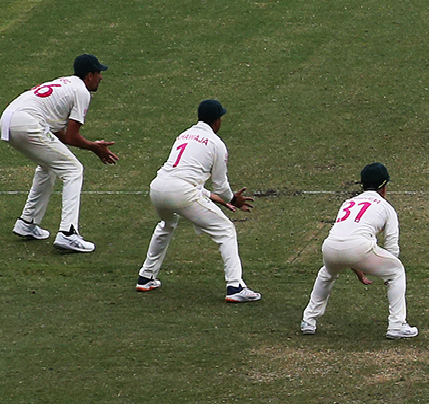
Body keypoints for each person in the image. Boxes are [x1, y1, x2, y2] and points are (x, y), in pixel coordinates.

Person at [136, 100, 261, 302]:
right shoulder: (216, 144)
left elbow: (185, 177)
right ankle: (235, 287)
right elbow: (220, 185)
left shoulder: (184, 135)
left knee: (166, 224)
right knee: (225, 230)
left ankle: (146, 276)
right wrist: (233, 200)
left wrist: (217, 199)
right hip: (181, 192)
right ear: (217, 121)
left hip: (158, 187)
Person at [2, 54, 118, 253]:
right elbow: (72, 137)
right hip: (27, 122)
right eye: (99, 73)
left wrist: (91, 146)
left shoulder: (65, 84)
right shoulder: (81, 91)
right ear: (89, 75)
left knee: (49, 166)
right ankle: (68, 233)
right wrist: (94, 147)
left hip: (8, 120)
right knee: (73, 169)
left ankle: (27, 223)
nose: (101, 77)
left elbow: (61, 136)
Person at [301, 163, 417, 340]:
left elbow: (344, 243)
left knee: (326, 274)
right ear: (384, 187)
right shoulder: (386, 207)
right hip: (359, 249)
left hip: (330, 247)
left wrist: (359, 268)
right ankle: (397, 325)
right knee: (397, 271)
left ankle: (308, 320)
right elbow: (392, 247)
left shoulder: (349, 202)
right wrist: (386, 275)